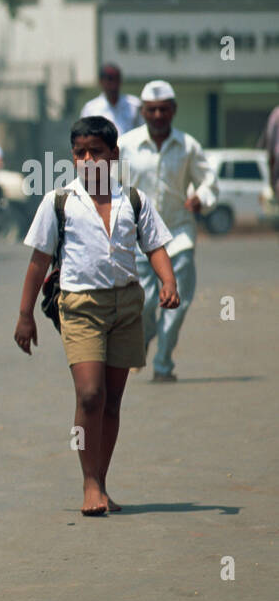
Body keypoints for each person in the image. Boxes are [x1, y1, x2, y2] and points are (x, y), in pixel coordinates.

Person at [15, 115, 178, 516]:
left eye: (96, 152)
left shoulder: (134, 201)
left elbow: (155, 246)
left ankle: (102, 482)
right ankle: (89, 483)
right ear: (72, 157)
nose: (88, 160)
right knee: (89, 395)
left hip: (126, 306)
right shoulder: (60, 202)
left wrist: (168, 281)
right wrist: (25, 316)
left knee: (112, 401)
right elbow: (38, 262)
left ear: (114, 155)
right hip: (80, 307)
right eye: (80, 153)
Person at [118, 80, 217, 382]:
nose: (158, 115)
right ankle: (143, 340)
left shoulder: (188, 146)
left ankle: (163, 364)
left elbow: (208, 181)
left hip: (179, 234)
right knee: (147, 301)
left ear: (173, 111)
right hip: (139, 238)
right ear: (144, 112)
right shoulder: (126, 145)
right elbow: (109, 187)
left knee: (178, 300)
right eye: (152, 110)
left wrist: (202, 198)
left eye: (164, 109)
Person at [80, 63, 143, 136]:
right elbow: (84, 136)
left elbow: (142, 131)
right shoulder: (90, 109)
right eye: (109, 79)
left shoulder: (134, 105)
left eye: (117, 79)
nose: (113, 84)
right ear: (101, 82)